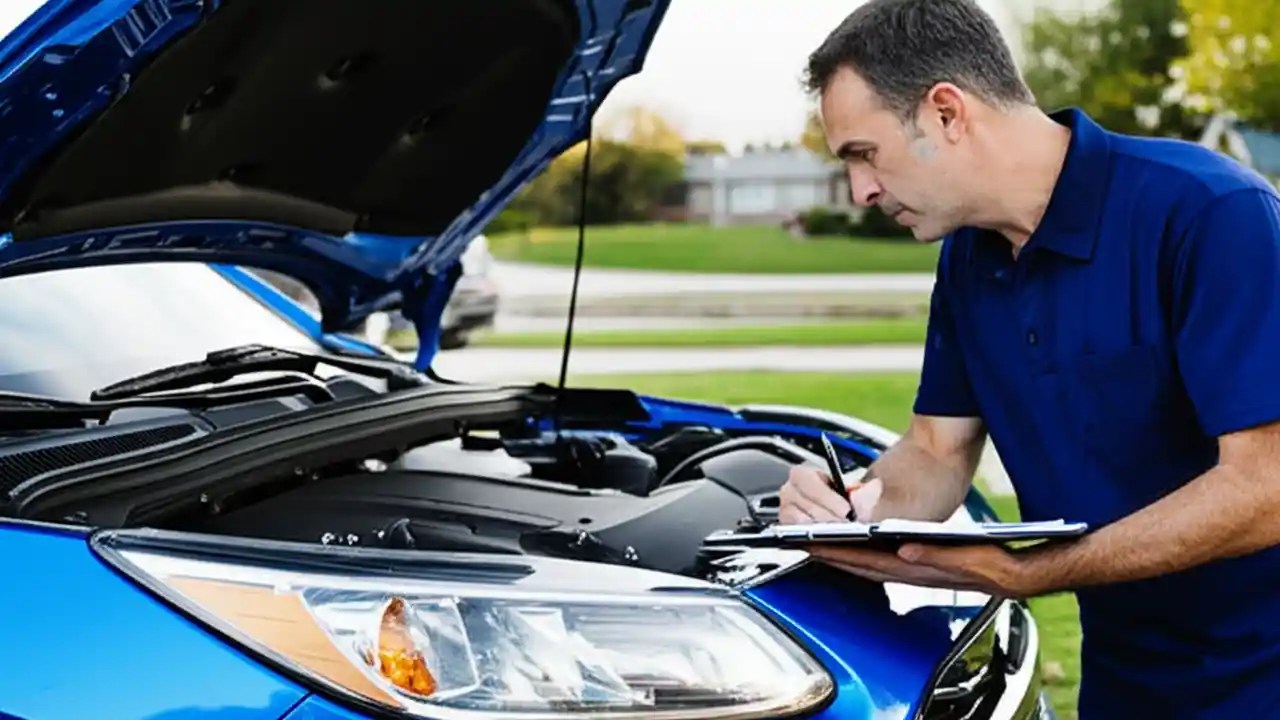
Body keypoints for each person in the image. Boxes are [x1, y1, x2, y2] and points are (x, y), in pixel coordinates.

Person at [777, 0, 1280, 717]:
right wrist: (846, 508)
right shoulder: (968, 259)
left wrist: (1032, 572)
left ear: (946, 112)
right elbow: (935, 451)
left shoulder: (1209, 213)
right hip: (1123, 683)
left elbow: (1267, 489)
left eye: (864, 153)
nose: (861, 192)